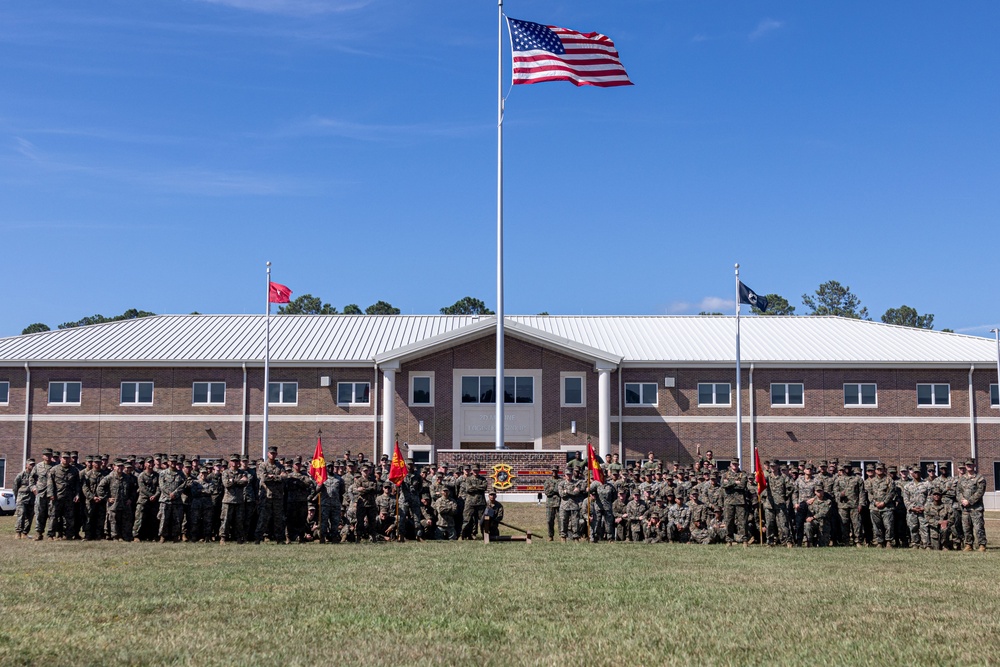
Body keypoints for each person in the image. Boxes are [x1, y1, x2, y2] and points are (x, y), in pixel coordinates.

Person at [47, 451, 81, 540]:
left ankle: (68, 535)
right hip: (57, 497)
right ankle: (51, 535)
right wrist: (50, 494)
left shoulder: (74, 470)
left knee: (69, 517)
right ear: (61, 459)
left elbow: (77, 484)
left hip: (69, 498)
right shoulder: (54, 470)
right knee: (54, 516)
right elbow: (50, 483)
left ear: (70, 459)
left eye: (67, 458)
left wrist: (77, 494)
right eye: (64, 458)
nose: (65, 460)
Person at [957, 460, 987, 552]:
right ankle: (968, 545)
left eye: (970, 464)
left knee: (978, 527)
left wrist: (969, 501)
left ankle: (982, 545)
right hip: (965, 508)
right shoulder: (962, 478)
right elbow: (958, 491)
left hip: (976, 508)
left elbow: (980, 492)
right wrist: (962, 500)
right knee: (966, 527)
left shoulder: (979, 478)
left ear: (974, 465)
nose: (969, 466)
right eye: (967, 465)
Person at [13, 459, 36, 539]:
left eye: (33, 464)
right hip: (22, 499)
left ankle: (25, 533)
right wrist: (17, 497)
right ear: (26, 465)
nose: (32, 466)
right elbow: (15, 487)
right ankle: (18, 532)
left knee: (30, 516)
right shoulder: (21, 475)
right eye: (30, 464)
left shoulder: (35, 476)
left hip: (32, 499)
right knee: (21, 515)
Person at [542, 467, 561, 541]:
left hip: (559, 503)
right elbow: (547, 492)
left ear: (558, 471)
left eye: (556, 471)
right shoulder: (547, 481)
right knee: (549, 520)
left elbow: (561, 491)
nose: (554, 472)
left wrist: (552, 489)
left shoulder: (561, 480)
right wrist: (555, 489)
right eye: (553, 471)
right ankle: (550, 536)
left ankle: (561, 536)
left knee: (560, 521)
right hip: (550, 504)